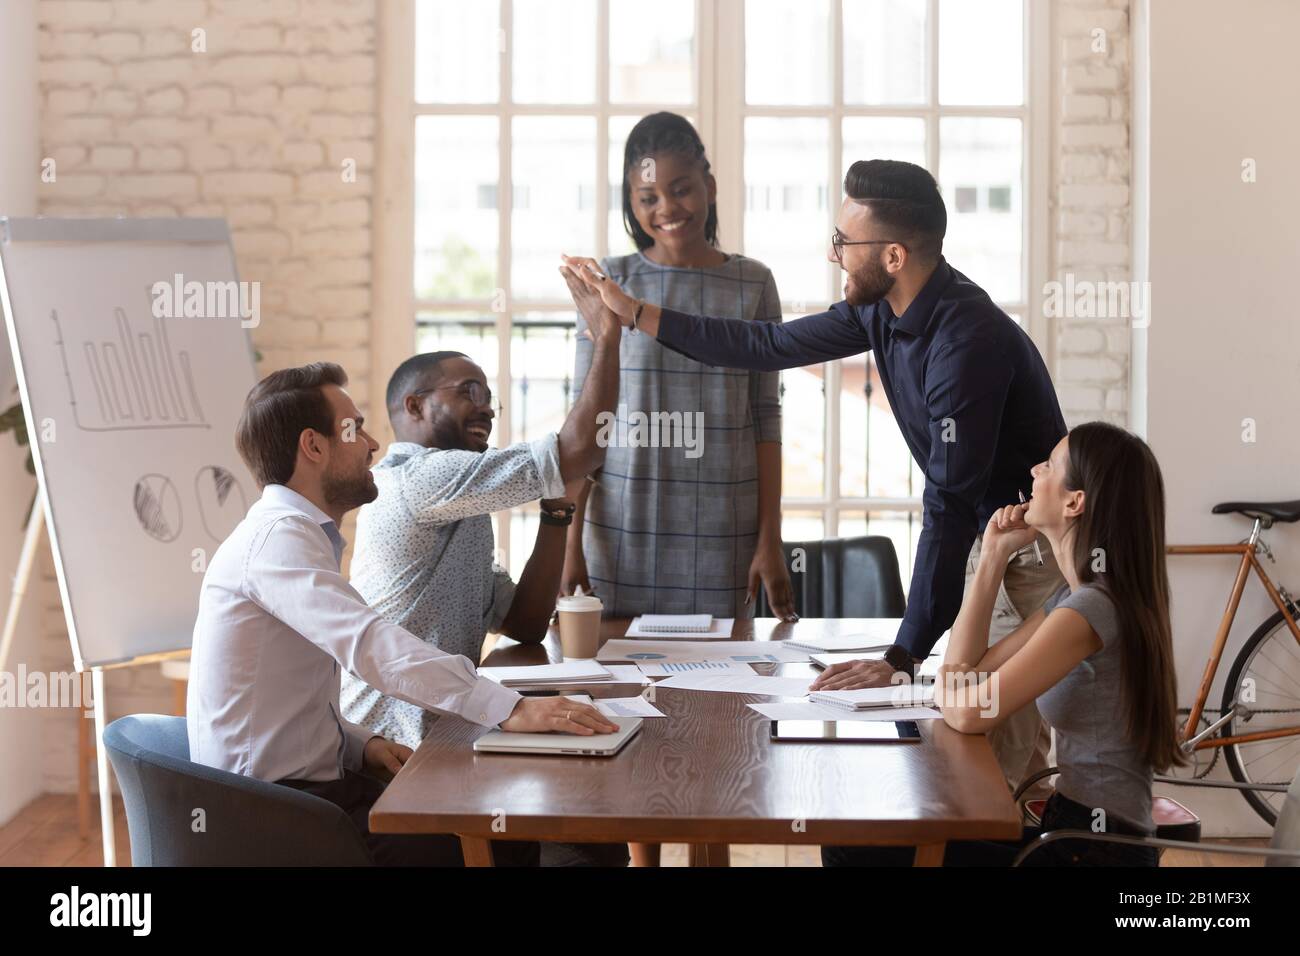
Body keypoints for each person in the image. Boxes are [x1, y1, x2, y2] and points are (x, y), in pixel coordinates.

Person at [562, 159, 1067, 793]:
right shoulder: (881, 310)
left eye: (842, 242)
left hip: (1035, 545)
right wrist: (635, 313)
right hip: (990, 536)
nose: (834, 255)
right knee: (981, 725)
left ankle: (1031, 836)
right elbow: (767, 345)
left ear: (891, 255)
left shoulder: (966, 341)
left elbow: (948, 502)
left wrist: (900, 656)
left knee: (993, 735)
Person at [187, 362, 618, 867]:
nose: (372, 444)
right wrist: (512, 708)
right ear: (313, 446)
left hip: (304, 792)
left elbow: (288, 711)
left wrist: (360, 744)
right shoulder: (277, 540)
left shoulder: (293, 535)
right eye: (355, 429)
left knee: (509, 831)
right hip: (277, 817)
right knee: (506, 839)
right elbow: (372, 647)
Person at [337, 318, 631, 865]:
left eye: (489, 396)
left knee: (595, 827)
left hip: (448, 735)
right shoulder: (420, 477)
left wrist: (558, 509)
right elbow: (581, 447)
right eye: (468, 392)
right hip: (397, 758)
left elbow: (521, 622)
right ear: (415, 406)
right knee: (588, 834)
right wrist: (608, 338)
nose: (487, 407)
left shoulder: (460, 505)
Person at [825, 422, 1183, 866]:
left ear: (1075, 501)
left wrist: (952, 691)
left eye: (1050, 465)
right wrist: (993, 555)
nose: (1035, 469)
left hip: (1091, 852)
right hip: (1069, 831)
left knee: (854, 847)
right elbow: (971, 670)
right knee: (861, 840)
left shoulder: (1089, 611)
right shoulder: (1076, 599)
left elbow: (973, 710)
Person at [561, 112, 796, 622]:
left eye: (682, 189)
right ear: (632, 203)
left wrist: (770, 539)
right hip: (622, 533)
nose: (667, 208)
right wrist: (569, 542)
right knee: (616, 691)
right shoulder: (611, 282)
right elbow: (585, 420)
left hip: (725, 537)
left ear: (709, 186)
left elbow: (766, 419)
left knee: (724, 689)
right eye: (648, 198)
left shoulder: (753, 283)